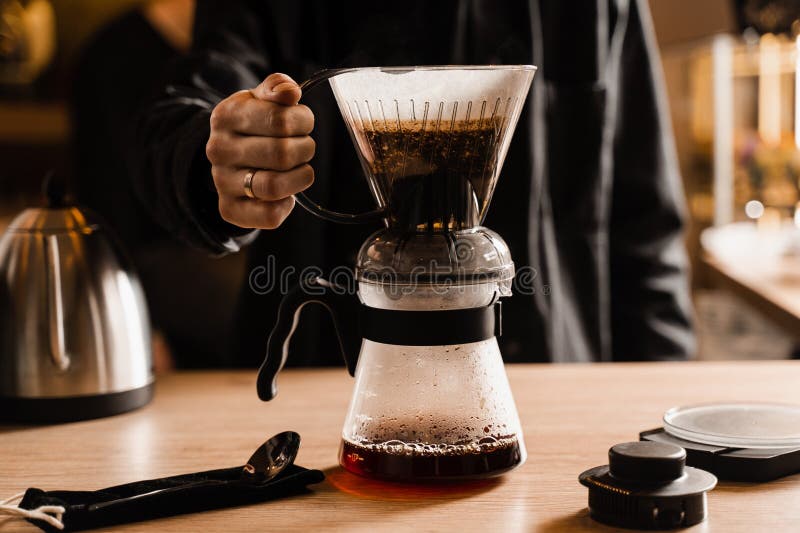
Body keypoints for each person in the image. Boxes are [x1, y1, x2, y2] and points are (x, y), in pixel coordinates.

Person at [133, 0, 695, 367]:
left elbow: (645, 234)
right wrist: (223, 161)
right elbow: (181, 118)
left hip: (556, 387)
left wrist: (660, 420)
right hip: (328, 384)